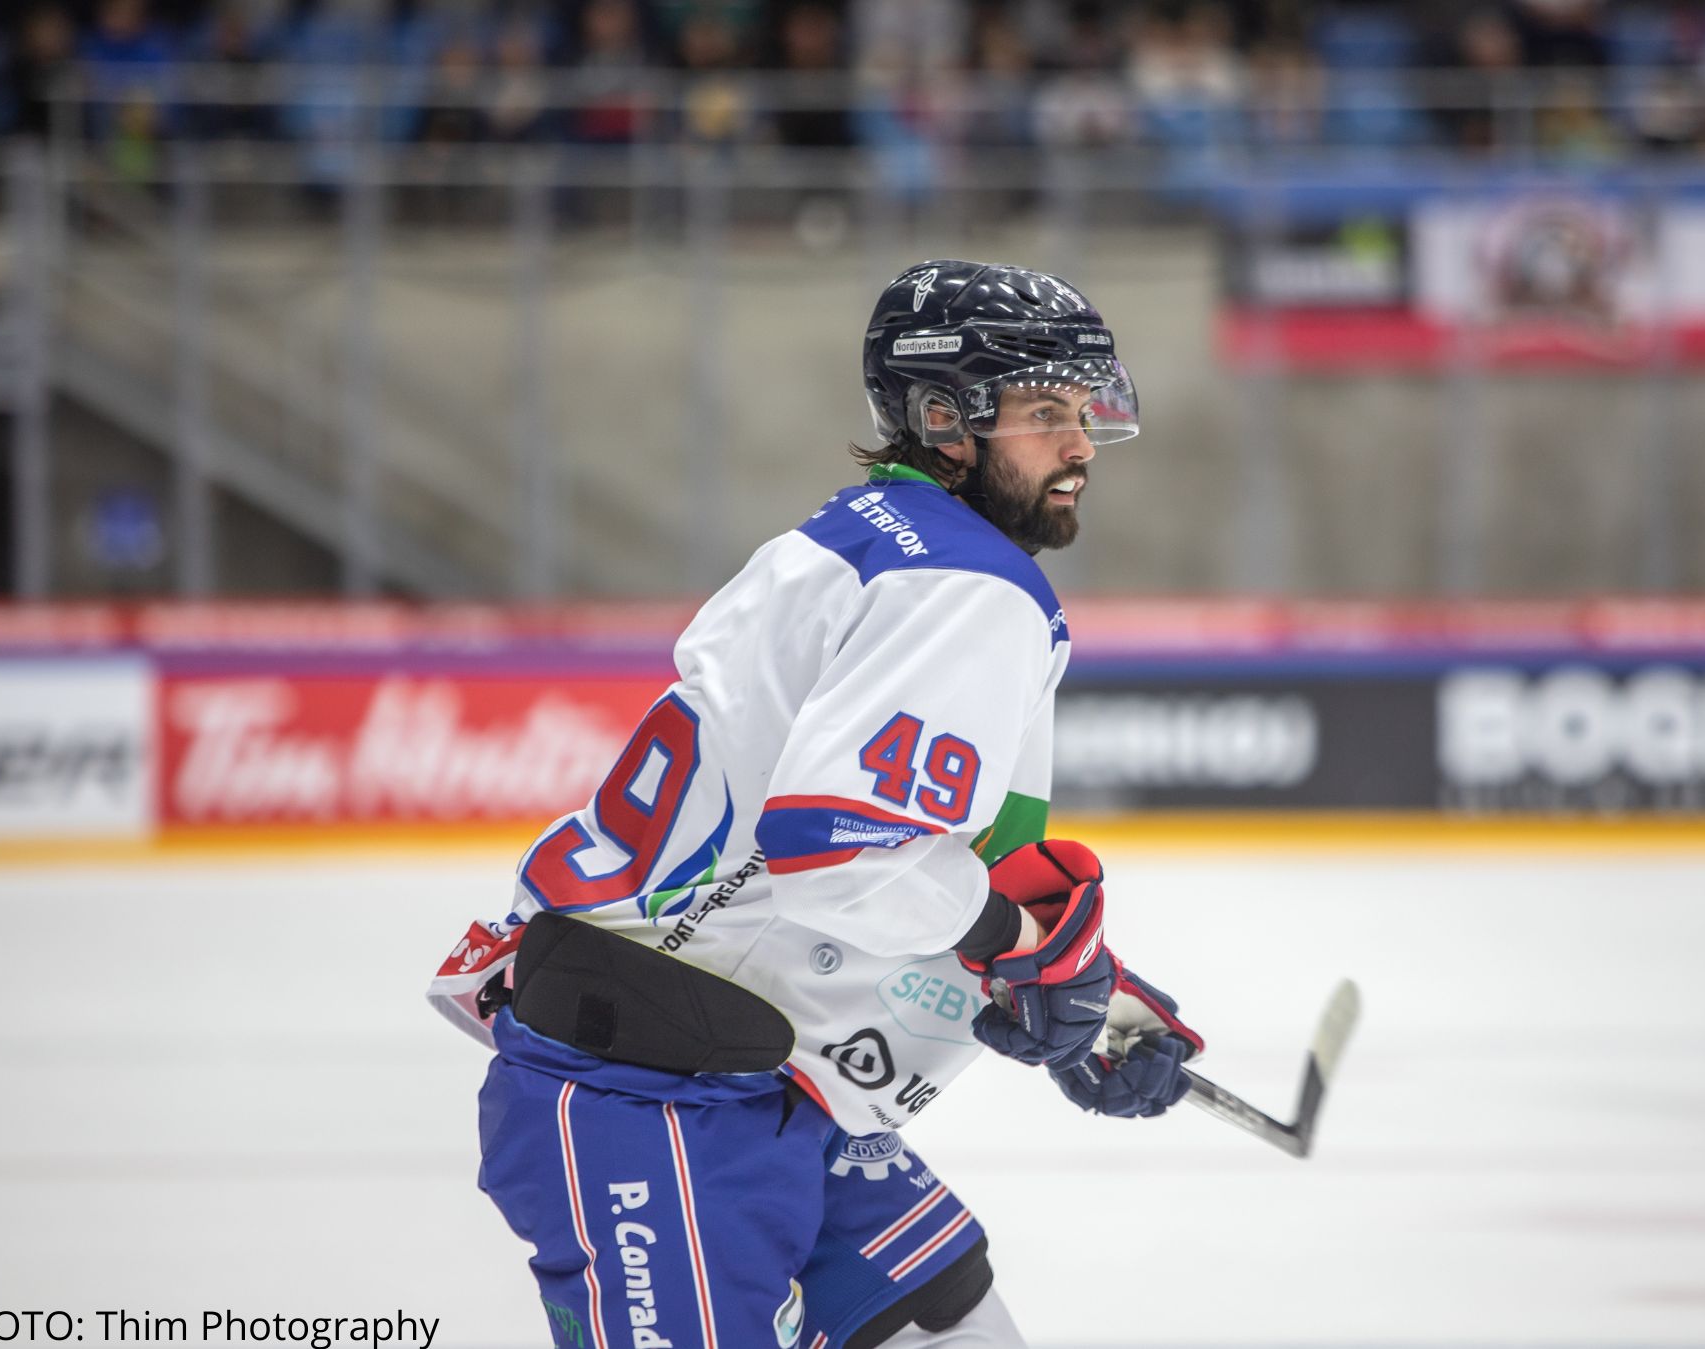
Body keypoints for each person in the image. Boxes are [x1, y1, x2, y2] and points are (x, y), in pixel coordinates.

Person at [429, 260, 1204, 1349]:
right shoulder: (963, 585)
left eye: (1082, 411)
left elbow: (864, 847)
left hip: (764, 1078)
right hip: (657, 1103)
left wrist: (1074, 982)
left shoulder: (862, 537)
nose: (1080, 444)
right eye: (1043, 412)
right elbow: (843, 857)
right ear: (943, 416)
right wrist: (1018, 942)